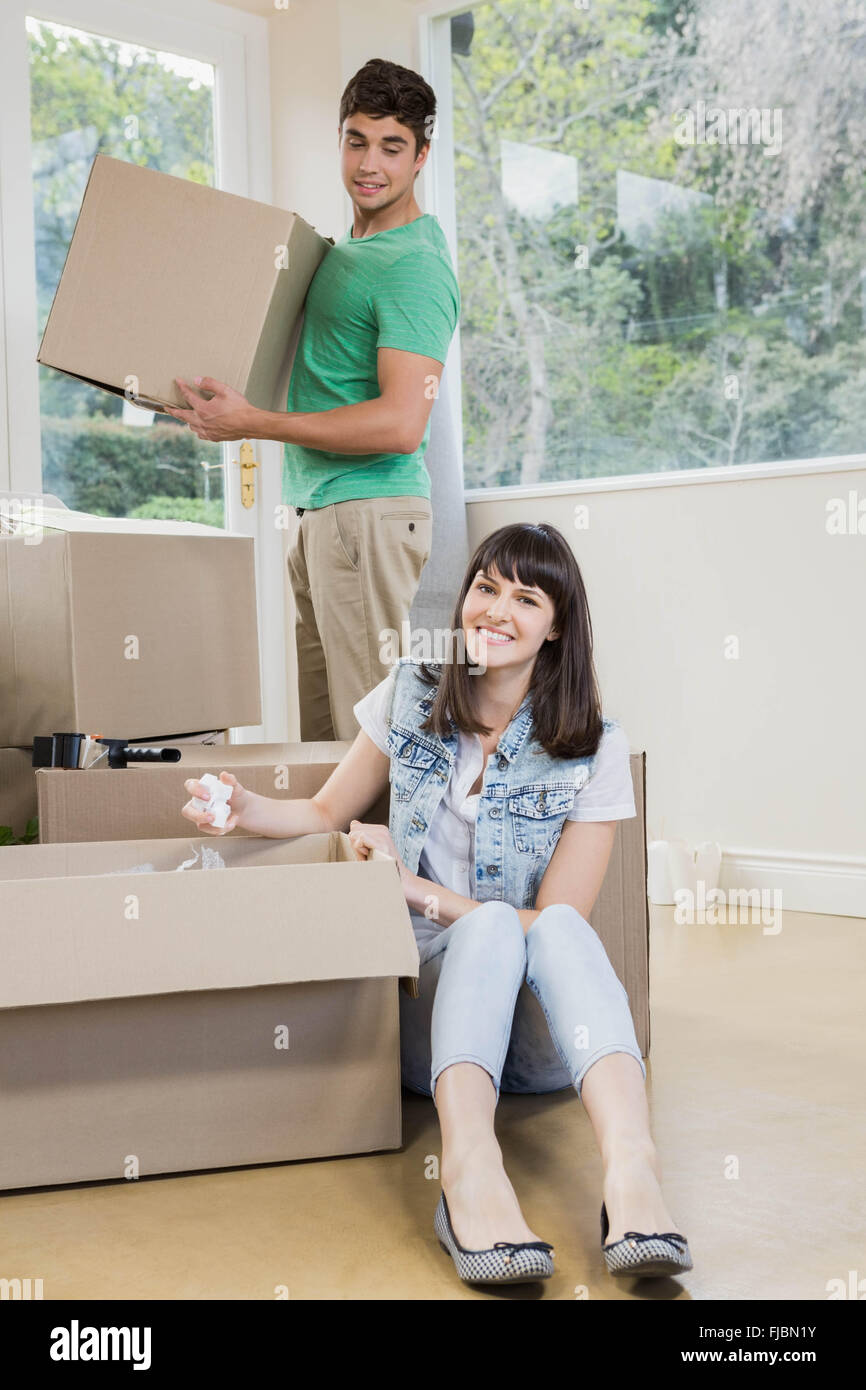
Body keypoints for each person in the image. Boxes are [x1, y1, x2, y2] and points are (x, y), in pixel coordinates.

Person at [180, 522, 693, 1288]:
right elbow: (325, 813)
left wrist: (415, 889)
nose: (496, 610)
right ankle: (470, 1177)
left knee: (546, 926)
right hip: (440, 1029)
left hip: (547, 1039)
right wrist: (245, 807)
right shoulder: (412, 691)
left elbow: (560, 921)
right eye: (486, 587)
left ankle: (633, 1173)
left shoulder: (593, 747)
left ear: (556, 630)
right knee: (486, 926)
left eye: (526, 599)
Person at [166, 58, 461, 741]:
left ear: (421, 156)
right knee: (328, 744)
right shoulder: (348, 251)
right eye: (357, 140)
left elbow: (401, 422)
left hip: (367, 512)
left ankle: (392, 855)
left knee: (370, 745)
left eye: (392, 147)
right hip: (324, 514)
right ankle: (331, 853)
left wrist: (252, 423)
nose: (370, 163)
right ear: (339, 139)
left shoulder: (413, 265)